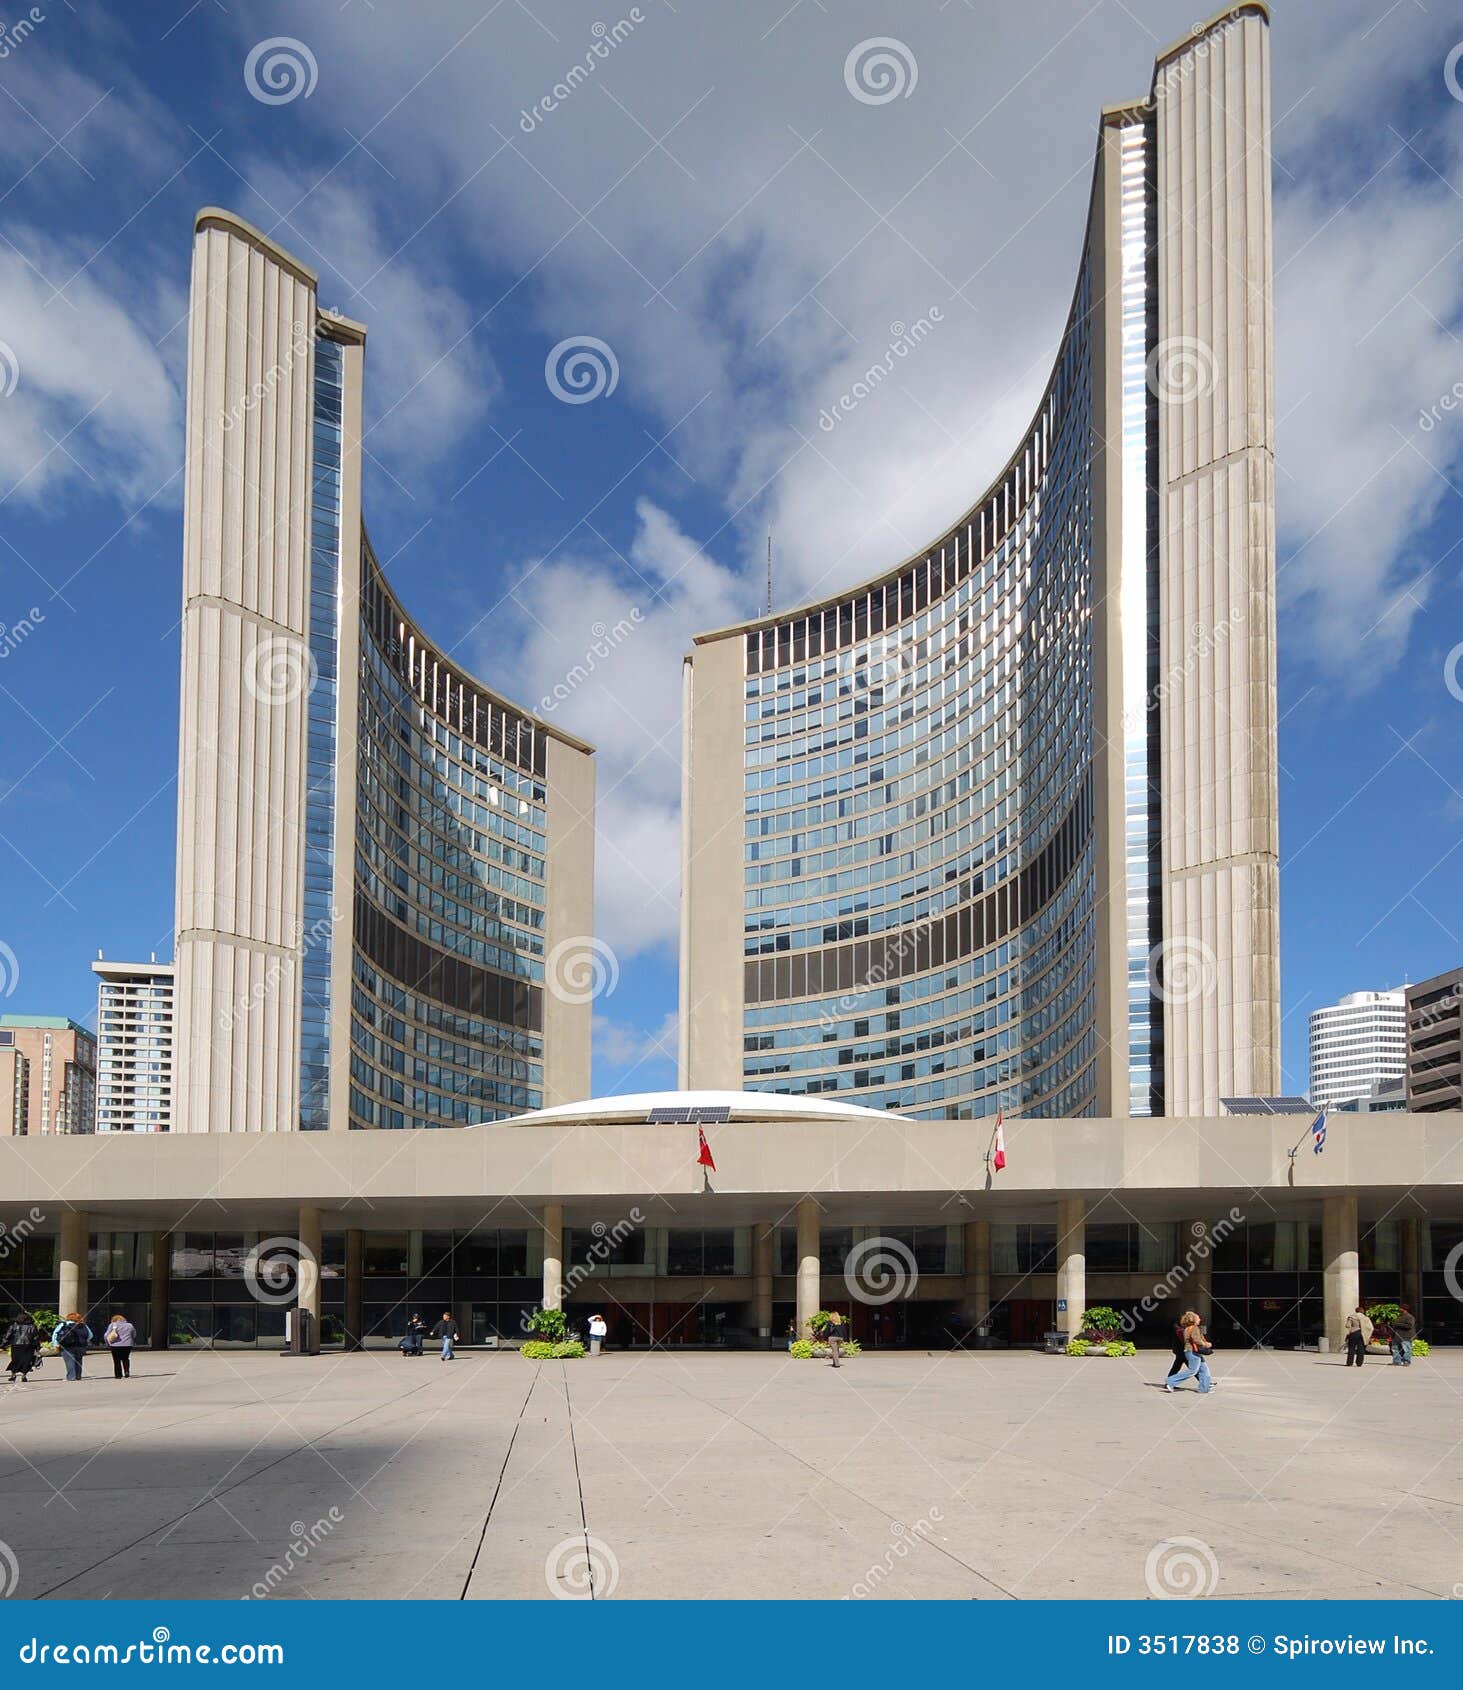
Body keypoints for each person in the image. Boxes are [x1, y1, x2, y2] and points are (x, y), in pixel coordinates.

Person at [1164, 1311, 1214, 1394]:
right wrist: (1206, 1344)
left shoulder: (1187, 1328)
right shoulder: (1194, 1328)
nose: (1200, 1319)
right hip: (1193, 1351)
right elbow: (1196, 1340)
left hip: (1191, 1351)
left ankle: (1204, 1388)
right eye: (1198, 1318)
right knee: (1193, 1371)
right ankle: (1171, 1381)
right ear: (1193, 1319)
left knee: (1204, 1370)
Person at [52, 1312, 93, 1382]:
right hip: (81, 1346)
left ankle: (71, 1377)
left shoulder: (64, 1324)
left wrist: (56, 1345)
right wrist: (84, 1341)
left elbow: (55, 1335)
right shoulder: (83, 1325)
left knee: (69, 1361)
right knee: (79, 1361)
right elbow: (90, 1335)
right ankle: (78, 1376)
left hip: (67, 1346)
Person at [4, 1313, 40, 1384]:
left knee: (15, 1360)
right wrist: (37, 1346)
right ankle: (24, 1376)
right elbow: (36, 1337)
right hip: (28, 1345)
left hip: (16, 1345)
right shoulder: (32, 1326)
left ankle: (13, 1375)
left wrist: (3, 1344)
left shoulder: (14, 1325)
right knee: (26, 1361)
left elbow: (8, 1335)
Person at [103, 1312, 136, 1379]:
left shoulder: (112, 1325)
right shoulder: (130, 1325)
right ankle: (126, 1372)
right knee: (126, 1358)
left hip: (115, 1345)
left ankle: (118, 1375)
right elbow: (134, 1334)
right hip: (127, 1345)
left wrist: (107, 1342)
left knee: (116, 1360)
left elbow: (106, 1335)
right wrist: (131, 1340)